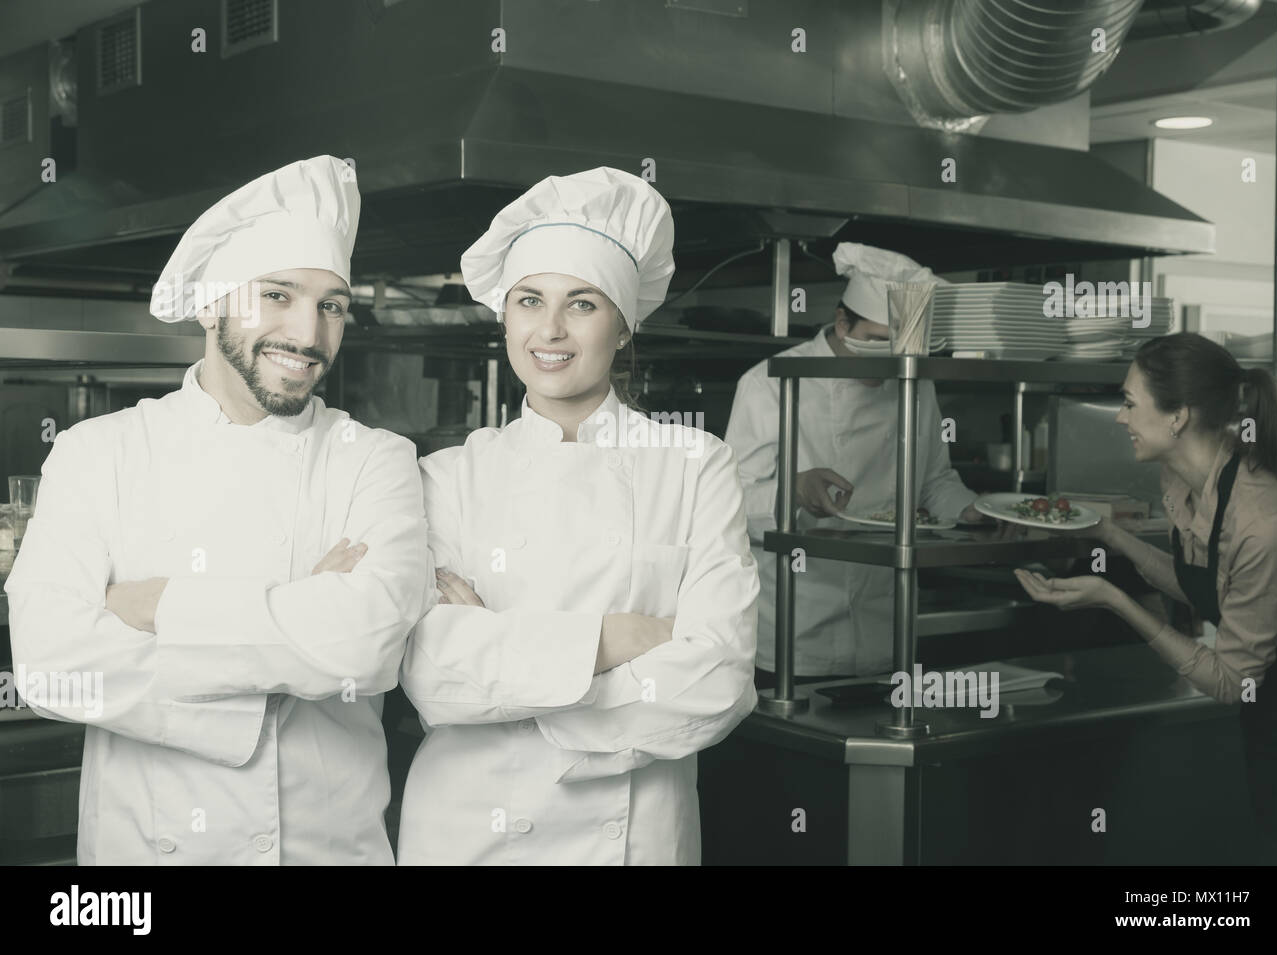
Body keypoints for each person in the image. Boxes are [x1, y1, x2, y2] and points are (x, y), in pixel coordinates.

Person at [5, 156, 429, 865]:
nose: (307, 333)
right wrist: (298, 618)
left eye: (331, 305)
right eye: (279, 294)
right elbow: (51, 665)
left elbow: (366, 645)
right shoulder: (98, 452)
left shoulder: (374, 458)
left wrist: (161, 607)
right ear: (210, 304)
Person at [397, 167, 759, 865]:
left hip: (636, 835)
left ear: (623, 327)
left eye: (584, 304)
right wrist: (616, 637)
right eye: (530, 300)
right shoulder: (446, 475)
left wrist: (510, 671)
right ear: (506, 314)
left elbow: (719, 682)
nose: (551, 330)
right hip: (469, 832)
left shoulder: (695, 464)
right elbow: (433, 678)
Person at [1015, 333, 1277, 864]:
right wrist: (1106, 533)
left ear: (1178, 417)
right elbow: (1207, 583)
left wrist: (1114, 600)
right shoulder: (1188, 480)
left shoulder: (1262, 517)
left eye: (1128, 403)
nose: (1120, 418)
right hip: (1275, 709)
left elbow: (1230, 682)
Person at [725, 243, 983, 684]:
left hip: (887, 628)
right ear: (843, 323)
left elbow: (934, 481)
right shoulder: (769, 381)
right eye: (878, 344)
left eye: (903, 350)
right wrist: (794, 491)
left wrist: (972, 511)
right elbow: (729, 507)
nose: (891, 364)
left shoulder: (915, 385)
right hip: (794, 632)